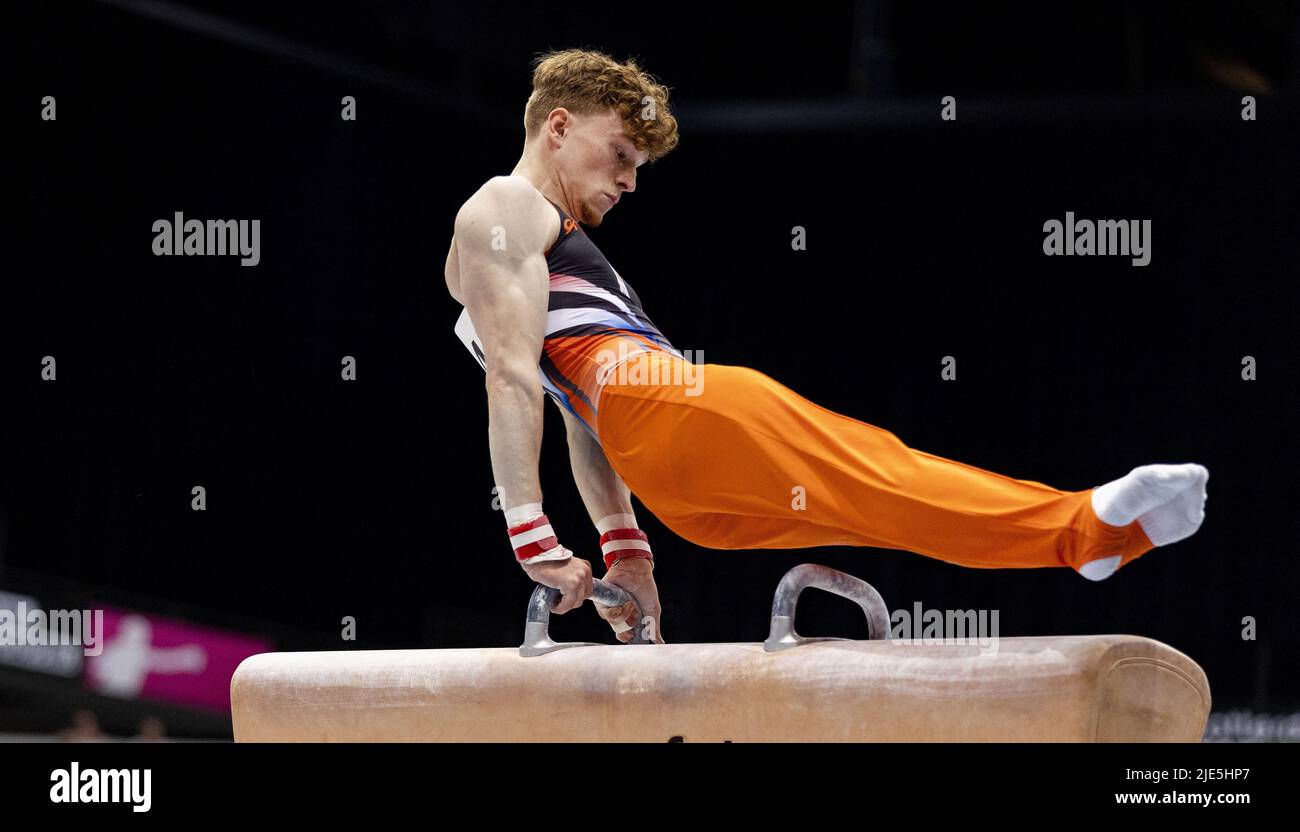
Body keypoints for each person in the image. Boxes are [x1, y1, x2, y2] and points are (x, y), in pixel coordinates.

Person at [443, 49, 1209, 644]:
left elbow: (580, 415)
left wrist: (627, 547)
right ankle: (1083, 531)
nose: (631, 183)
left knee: (885, 502)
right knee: (882, 476)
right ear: (559, 125)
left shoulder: (523, 252)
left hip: (675, 483)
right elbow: (510, 380)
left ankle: (1086, 536)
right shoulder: (505, 207)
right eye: (620, 156)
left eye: (638, 169)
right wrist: (532, 536)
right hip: (677, 414)